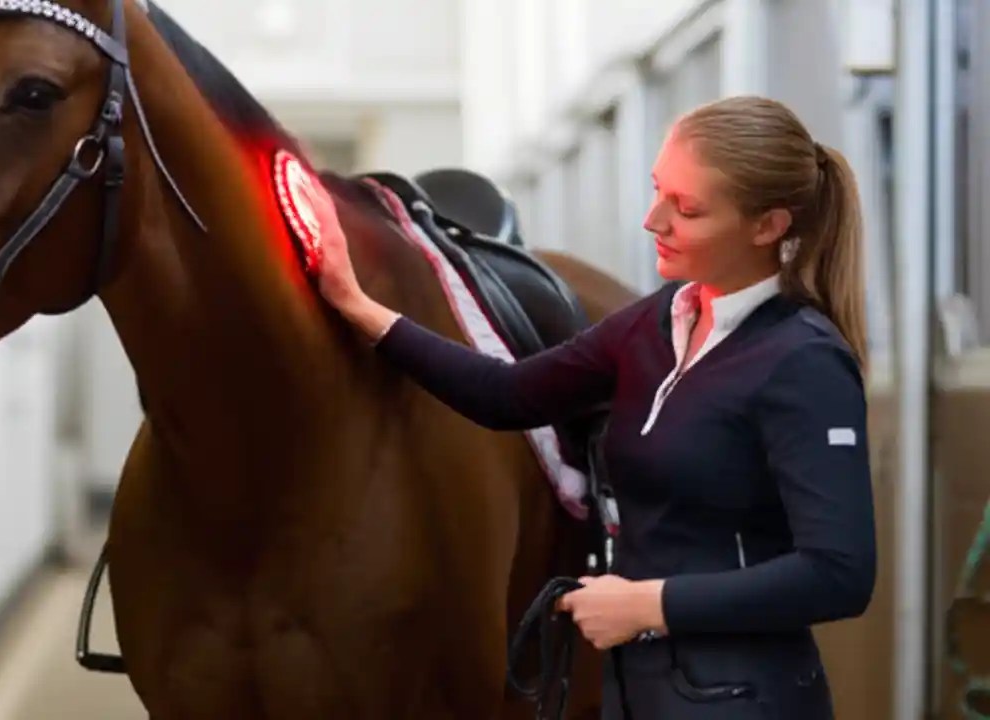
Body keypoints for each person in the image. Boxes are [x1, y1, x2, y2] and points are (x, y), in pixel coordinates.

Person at [306, 95, 876, 719]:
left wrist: (646, 605)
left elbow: (838, 574)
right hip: (637, 690)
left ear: (767, 226)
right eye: (659, 190)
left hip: (743, 699)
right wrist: (359, 308)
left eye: (686, 208)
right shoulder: (657, 322)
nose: (653, 220)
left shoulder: (804, 361)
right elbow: (508, 395)